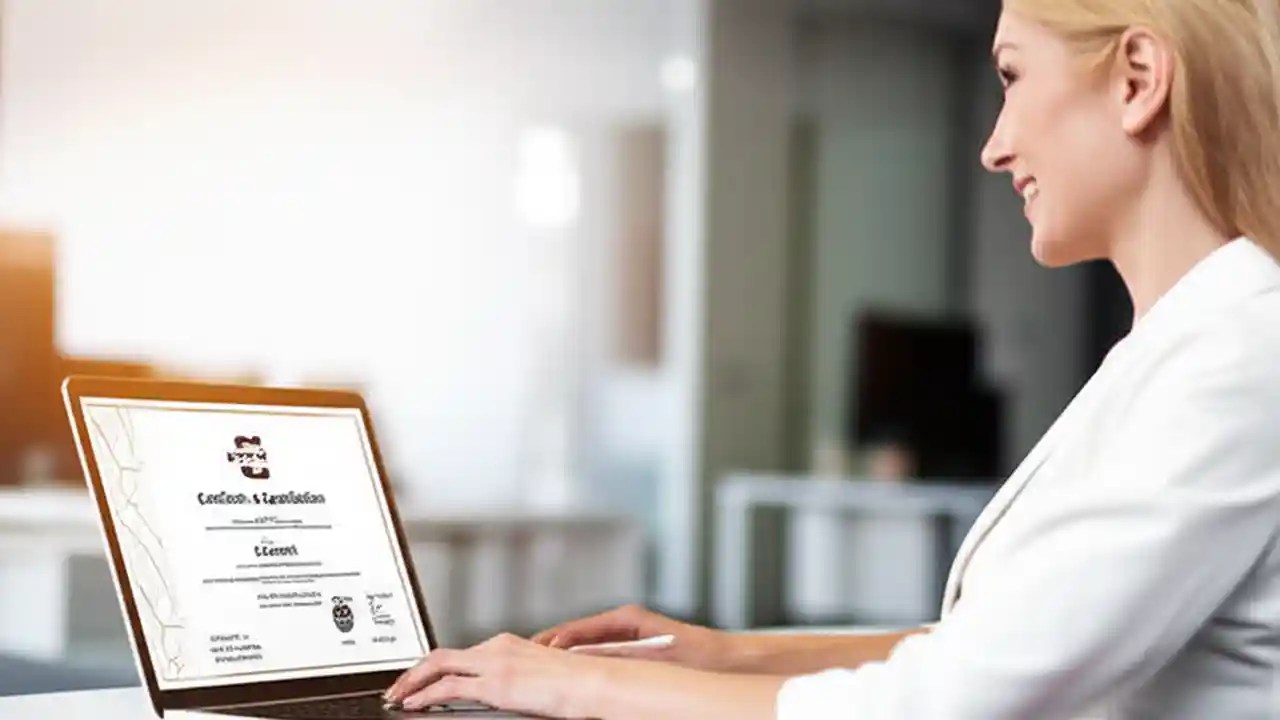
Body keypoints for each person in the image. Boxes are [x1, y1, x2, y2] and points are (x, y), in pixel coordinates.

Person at [384, 1, 1280, 717]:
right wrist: (729, 653)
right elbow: (1009, 645)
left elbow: (959, 701)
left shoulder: (1241, 350)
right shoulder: (1191, 340)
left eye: (1011, 77)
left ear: (1136, 78)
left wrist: (572, 688)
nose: (994, 143)